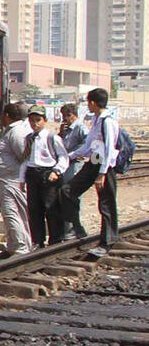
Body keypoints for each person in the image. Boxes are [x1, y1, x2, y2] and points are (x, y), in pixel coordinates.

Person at [61, 87, 120, 257]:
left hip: (105, 166)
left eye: (88, 102)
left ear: (93, 102)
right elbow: (88, 147)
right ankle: (78, 229)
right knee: (67, 191)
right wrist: (68, 157)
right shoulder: (95, 120)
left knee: (106, 204)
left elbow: (109, 149)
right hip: (93, 161)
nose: (88, 105)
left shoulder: (108, 121)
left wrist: (102, 174)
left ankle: (107, 242)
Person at [0, 102, 33, 255]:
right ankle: (12, 246)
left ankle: (21, 248)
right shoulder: (13, 131)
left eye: (3, 115)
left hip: (11, 183)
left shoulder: (17, 132)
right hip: (5, 182)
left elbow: (24, 156)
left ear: (7, 116)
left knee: (13, 214)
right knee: (8, 214)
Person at [22, 105, 69, 247]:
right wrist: (21, 178)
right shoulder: (29, 138)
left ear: (45, 120)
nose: (35, 124)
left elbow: (63, 157)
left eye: (38, 120)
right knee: (34, 209)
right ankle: (38, 240)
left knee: (52, 208)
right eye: (32, 121)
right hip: (32, 173)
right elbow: (25, 159)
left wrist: (57, 171)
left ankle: (55, 239)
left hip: (48, 174)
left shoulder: (52, 137)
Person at [58, 102, 88, 239]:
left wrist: (75, 154)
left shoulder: (80, 128)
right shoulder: (67, 129)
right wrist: (61, 133)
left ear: (73, 115)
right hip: (66, 164)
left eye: (67, 116)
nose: (65, 118)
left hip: (75, 165)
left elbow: (88, 143)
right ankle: (69, 229)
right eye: (63, 116)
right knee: (64, 196)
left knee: (72, 196)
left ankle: (74, 229)